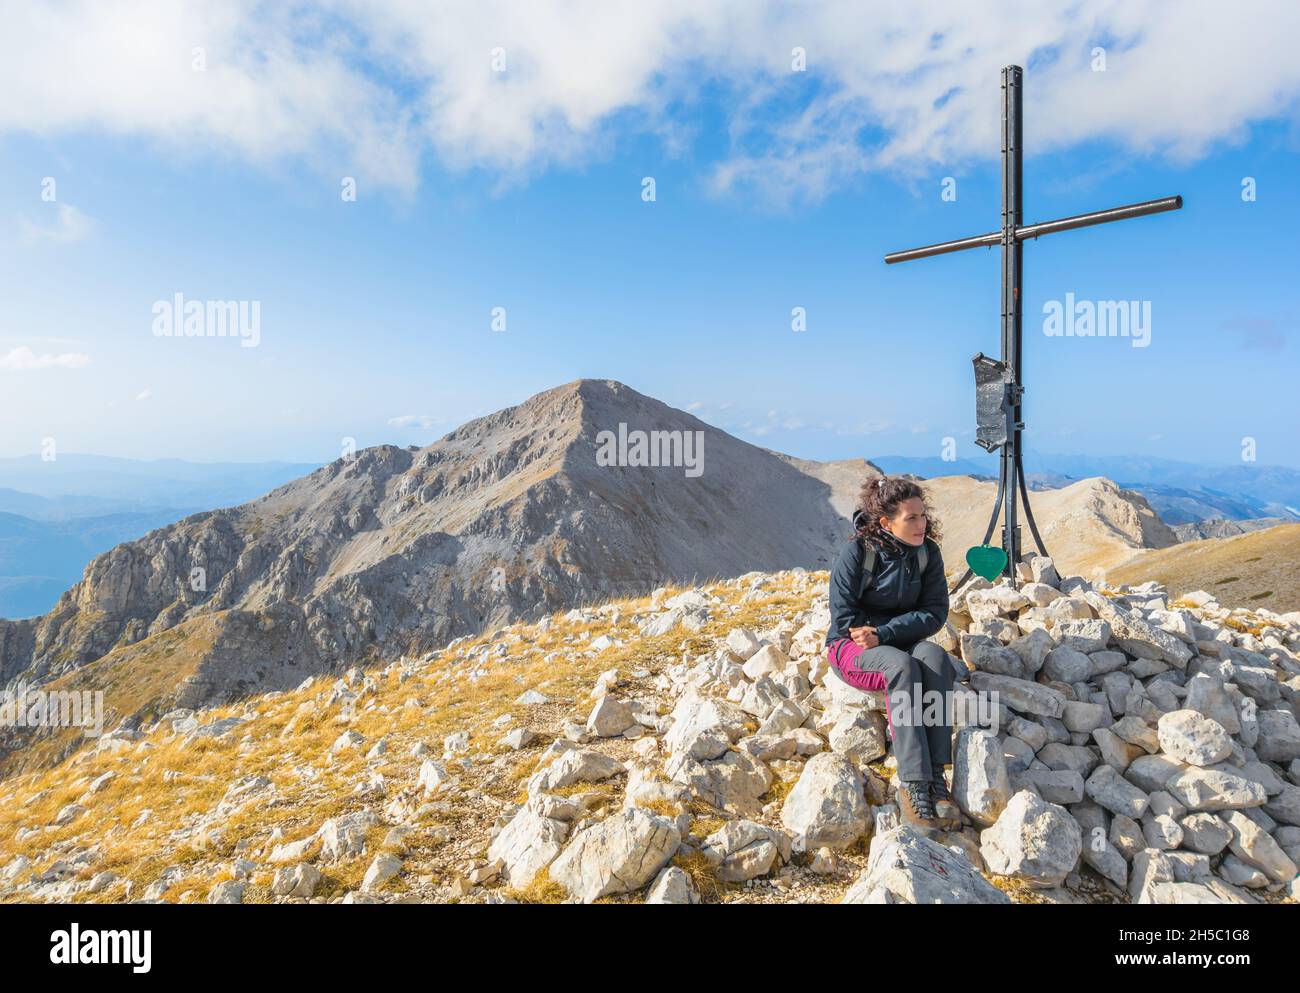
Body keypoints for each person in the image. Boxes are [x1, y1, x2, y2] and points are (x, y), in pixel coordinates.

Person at [825, 474, 962, 833]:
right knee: (901, 667)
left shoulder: (927, 553)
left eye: (923, 516)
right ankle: (913, 785)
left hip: (890, 638)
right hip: (850, 646)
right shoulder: (858, 553)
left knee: (934, 659)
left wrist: (886, 632)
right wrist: (875, 636)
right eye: (911, 518)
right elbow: (843, 617)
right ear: (886, 522)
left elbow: (935, 612)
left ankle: (935, 775)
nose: (922, 524)